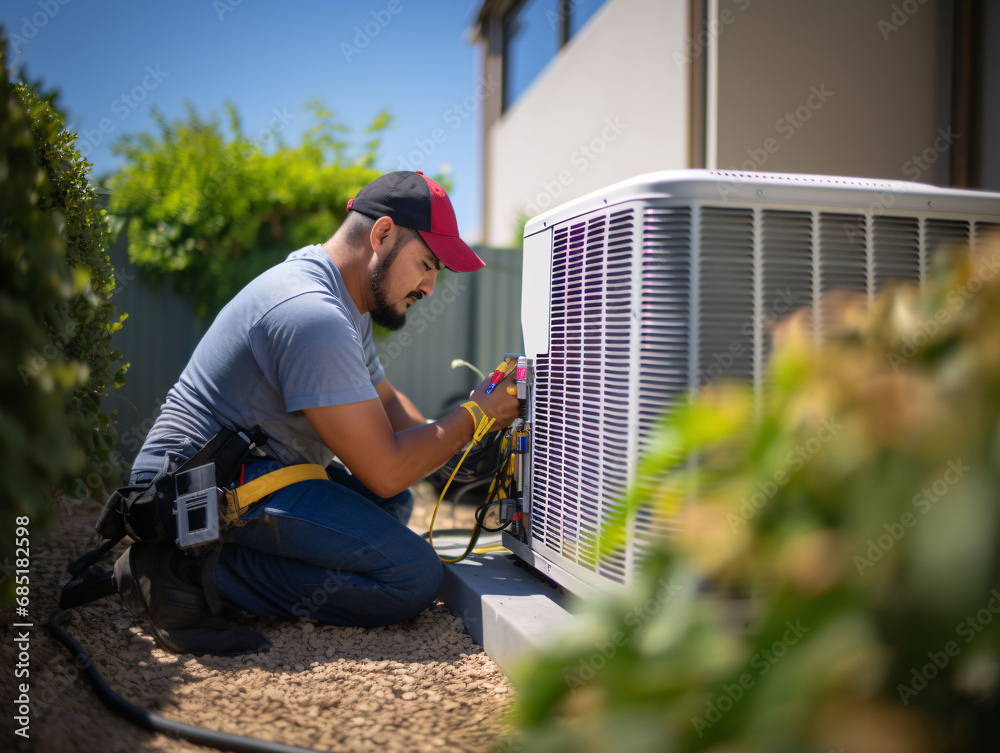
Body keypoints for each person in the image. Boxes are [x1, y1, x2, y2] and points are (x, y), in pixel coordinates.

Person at [115, 171, 520, 655]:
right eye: (427, 264)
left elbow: (388, 404)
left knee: (393, 506)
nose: (430, 287)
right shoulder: (311, 313)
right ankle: (182, 565)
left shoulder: (345, 299)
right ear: (383, 234)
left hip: (252, 468)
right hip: (193, 486)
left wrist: (458, 451)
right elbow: (387, 468)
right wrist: (476, 416)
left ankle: (212, 556)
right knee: (411, 577)